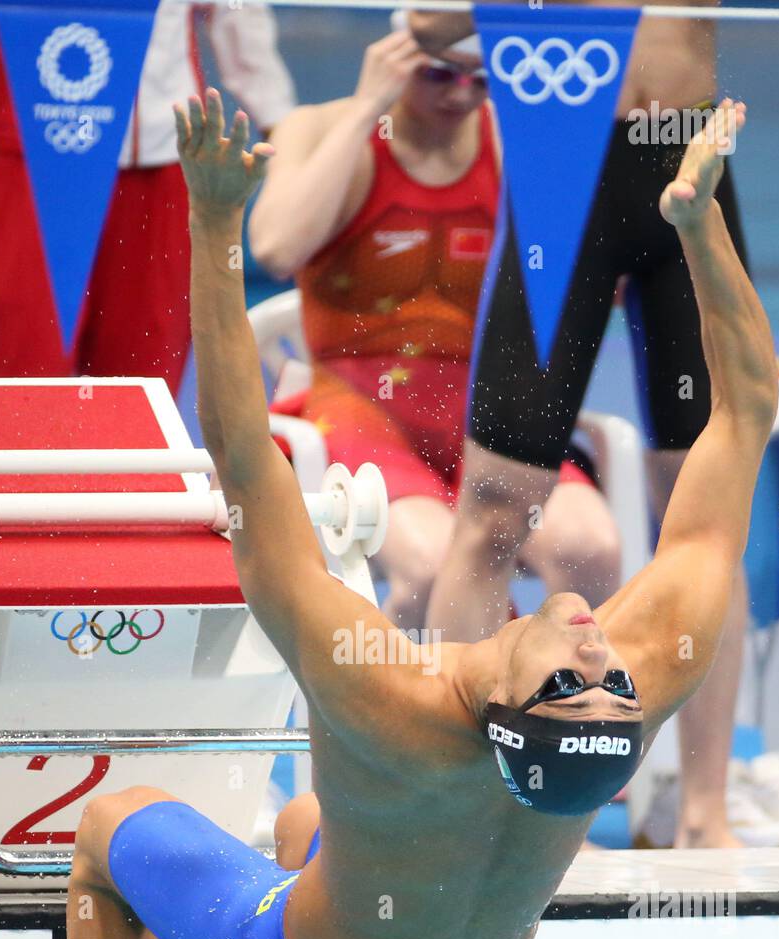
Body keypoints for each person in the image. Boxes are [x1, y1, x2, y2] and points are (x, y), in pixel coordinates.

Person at [16, 93, 777, 939]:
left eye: (572, 679)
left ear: (511, 717)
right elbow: (742, 411)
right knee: (306, 825)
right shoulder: (642, 671)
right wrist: (697, 228)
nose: (595, 649)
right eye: (606, 682)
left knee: (105, 832)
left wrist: (214, 225)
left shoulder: (380, 695)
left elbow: (244, 467)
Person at [412, 1, 754, 849]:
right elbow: (427, 26)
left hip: (687, 148)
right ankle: (463, 794)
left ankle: (704, 812)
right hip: (563, 153)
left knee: (708, 508)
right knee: (494, 508)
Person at [248, 28, 620, 628]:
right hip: (360, 411)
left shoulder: (510, 136)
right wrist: (368, 109)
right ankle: (402, 699)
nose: (459, 95)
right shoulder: (317, 127)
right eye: (439, 74)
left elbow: (596, 277)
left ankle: (584, 710)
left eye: (480, 79)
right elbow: (274, 247)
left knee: (589, 546)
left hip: (486, 406)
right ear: (394, 56)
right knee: (434, 566)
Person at [0, 0, 295, 392]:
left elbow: (234, 9)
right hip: (31, 134)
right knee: (14, 375)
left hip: (159, 149)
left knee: (141, 381)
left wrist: (279, 124)